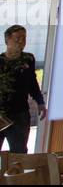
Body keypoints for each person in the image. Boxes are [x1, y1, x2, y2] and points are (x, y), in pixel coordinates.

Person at [1, 25, 46, 153]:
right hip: (1, 113)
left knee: (19, 152)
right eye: (17, 38)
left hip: (20, 114)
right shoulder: (1, 61)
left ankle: (18, 173)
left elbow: (32, 82)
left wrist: (40, 102)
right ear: (7, 40)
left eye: (24, 38)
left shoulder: (28, 59)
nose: (21, 42)